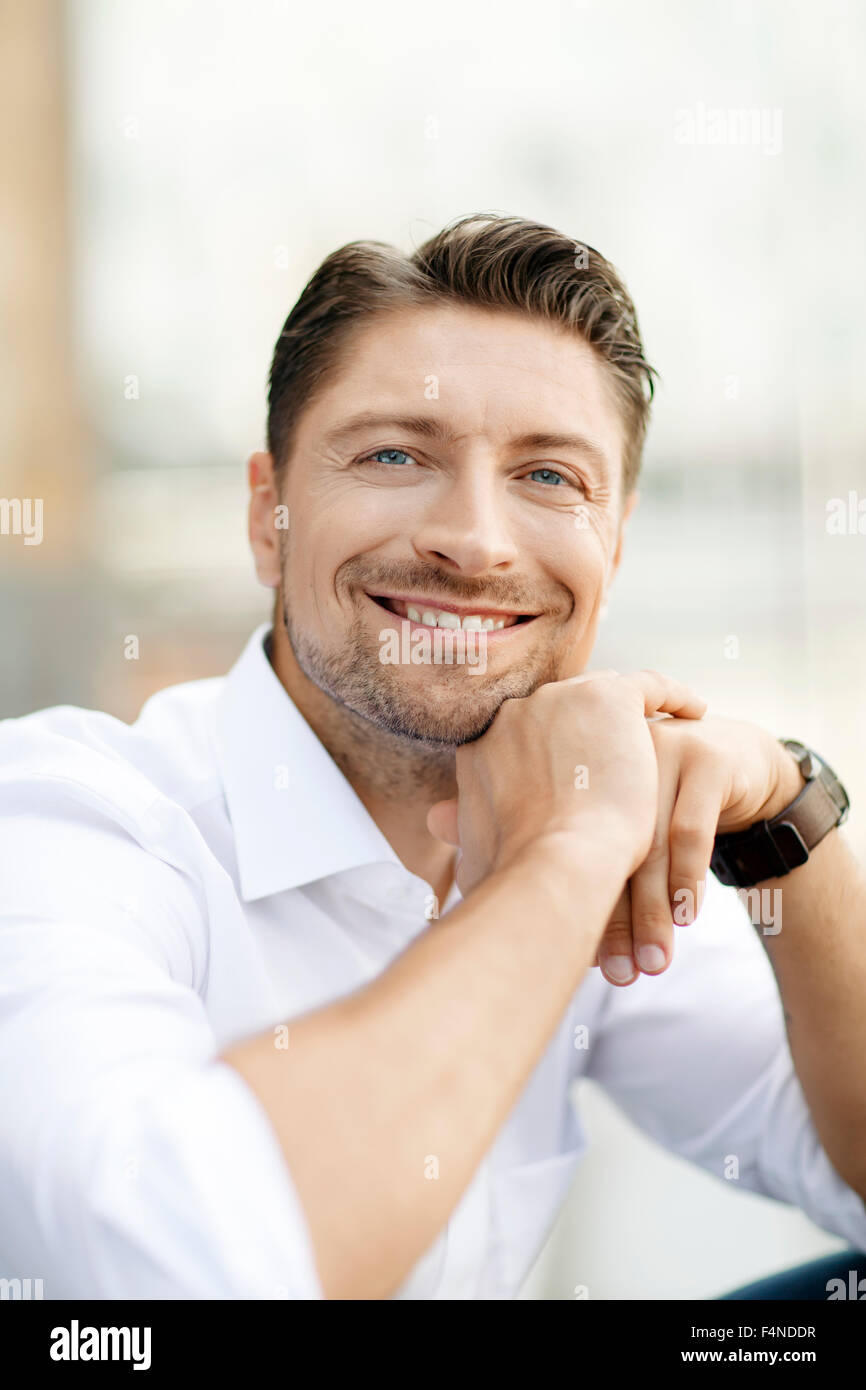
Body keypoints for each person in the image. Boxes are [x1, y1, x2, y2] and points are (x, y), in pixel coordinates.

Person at [1, 214, 864, 1301]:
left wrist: (786, 811)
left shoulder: (595, 818)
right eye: (395, 454)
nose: (476, 539)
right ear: (269, 516)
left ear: (614, 545)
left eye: (548, 477)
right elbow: (184, 1268)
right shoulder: (66, 821)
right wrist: (556, 864)